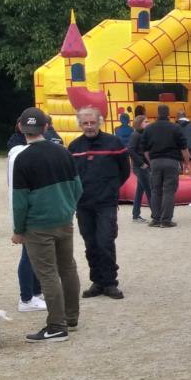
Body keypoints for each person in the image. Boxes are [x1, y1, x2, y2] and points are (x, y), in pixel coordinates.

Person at [10, 107, 83, 343]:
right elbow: (78, 188)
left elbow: (20, 200)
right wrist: (68, 208)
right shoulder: (63, 152)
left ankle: (56, 325)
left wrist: (18, 230)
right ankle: (71, 317)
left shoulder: (22, 158)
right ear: (46, 127)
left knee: (48, 273)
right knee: (68, 268)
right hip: (64, 219)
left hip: (38, 225)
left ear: (22, 128)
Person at [67, 106, 130, 300]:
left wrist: (111, 188)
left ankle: (110, 282)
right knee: (90, 243)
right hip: (83, 204)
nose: (89, 126)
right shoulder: (74, 147)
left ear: (99, 122)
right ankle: (97, 281)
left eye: (92, 122)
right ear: (80, 124)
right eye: (85, 123)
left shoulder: (114, 143)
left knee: (105, 242)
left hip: (106, 203)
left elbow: (124, 170)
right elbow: (70, 175)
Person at [7, 127, 46, 313]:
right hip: (30, 211)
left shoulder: (17, 151)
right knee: (28, 255)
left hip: (33, 209)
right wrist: (18, 227)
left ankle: (35, 292)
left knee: (34, 255)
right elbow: (18, 194)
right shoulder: (18, 153)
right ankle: (26, 297)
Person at [141, 105, 191, 227]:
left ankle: (156, 218)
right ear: (169, 114)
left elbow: (144, 149)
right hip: (171, 162)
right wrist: (187, 164)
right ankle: (166, 220)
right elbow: (184, 148)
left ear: (157, 114)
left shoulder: (149, 128)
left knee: (155, 190)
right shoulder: (176, 128)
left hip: (155, 162)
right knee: (169, 191)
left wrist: (151, 161)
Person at [127, 115, 151, 223]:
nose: (148, 123)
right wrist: (141, 164)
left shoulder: (141, 134)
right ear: (140, 123)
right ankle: (156, 214)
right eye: (146, 122)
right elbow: (131, 150)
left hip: (142, 166)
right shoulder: (136, 135)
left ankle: (135, 215)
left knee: (140, 191)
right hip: (140, 167)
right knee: (149, 190)